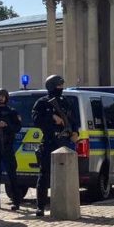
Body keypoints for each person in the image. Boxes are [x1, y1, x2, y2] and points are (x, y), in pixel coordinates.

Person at [32, 75, 77, 217]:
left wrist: (75, 132)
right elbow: (36, 120)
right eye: (58, 86)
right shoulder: (42, 103)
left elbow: (72, 119)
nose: (61, 89)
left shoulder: (65, 102)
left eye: (62, 86)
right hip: (50, 141)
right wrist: (51, 118)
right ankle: (40, 206)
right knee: (44, 175)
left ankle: (64, 204)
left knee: (66, 176)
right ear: (51, 87)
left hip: (64, 142)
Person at [0, 88, 24, 211]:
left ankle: (16, 201)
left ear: (6, 98)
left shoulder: (12, 112)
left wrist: (6, 125)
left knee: (11, 174)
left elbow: (17, 127)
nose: (0, 98)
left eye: (2, 96)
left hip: (7, 146)